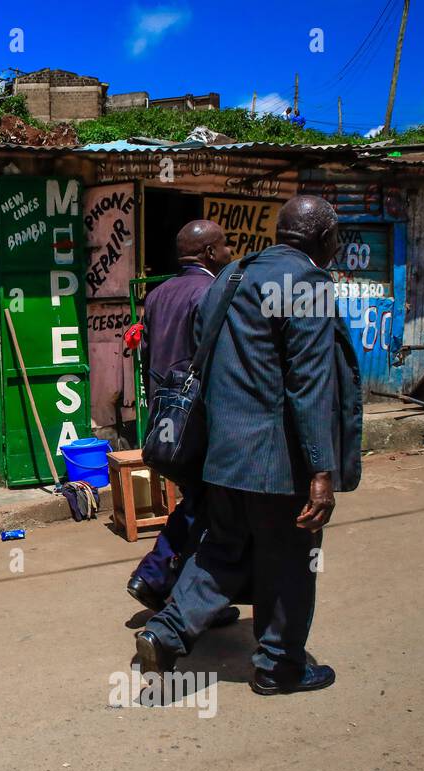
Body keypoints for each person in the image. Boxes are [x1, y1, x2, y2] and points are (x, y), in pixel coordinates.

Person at [135, 195, 363, 695]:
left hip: (222, 454)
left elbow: (207, 353)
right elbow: (309, 381)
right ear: (327, 238)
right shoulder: (307, 282)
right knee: (291, 562)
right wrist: (320, 470)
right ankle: (280, 667)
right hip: (277, 461)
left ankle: (166, 632)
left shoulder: (233, 276)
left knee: (220, 552)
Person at [124, 220, 233, 615]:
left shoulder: (158, 294)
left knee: (202, 502)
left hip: (164, 418)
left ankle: (195, 597)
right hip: (197, 420)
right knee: (208, 505)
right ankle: (156, 577)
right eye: (224, 247)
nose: (228, 253)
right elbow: (216, 362)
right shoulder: (211, 292)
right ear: (208, 253)